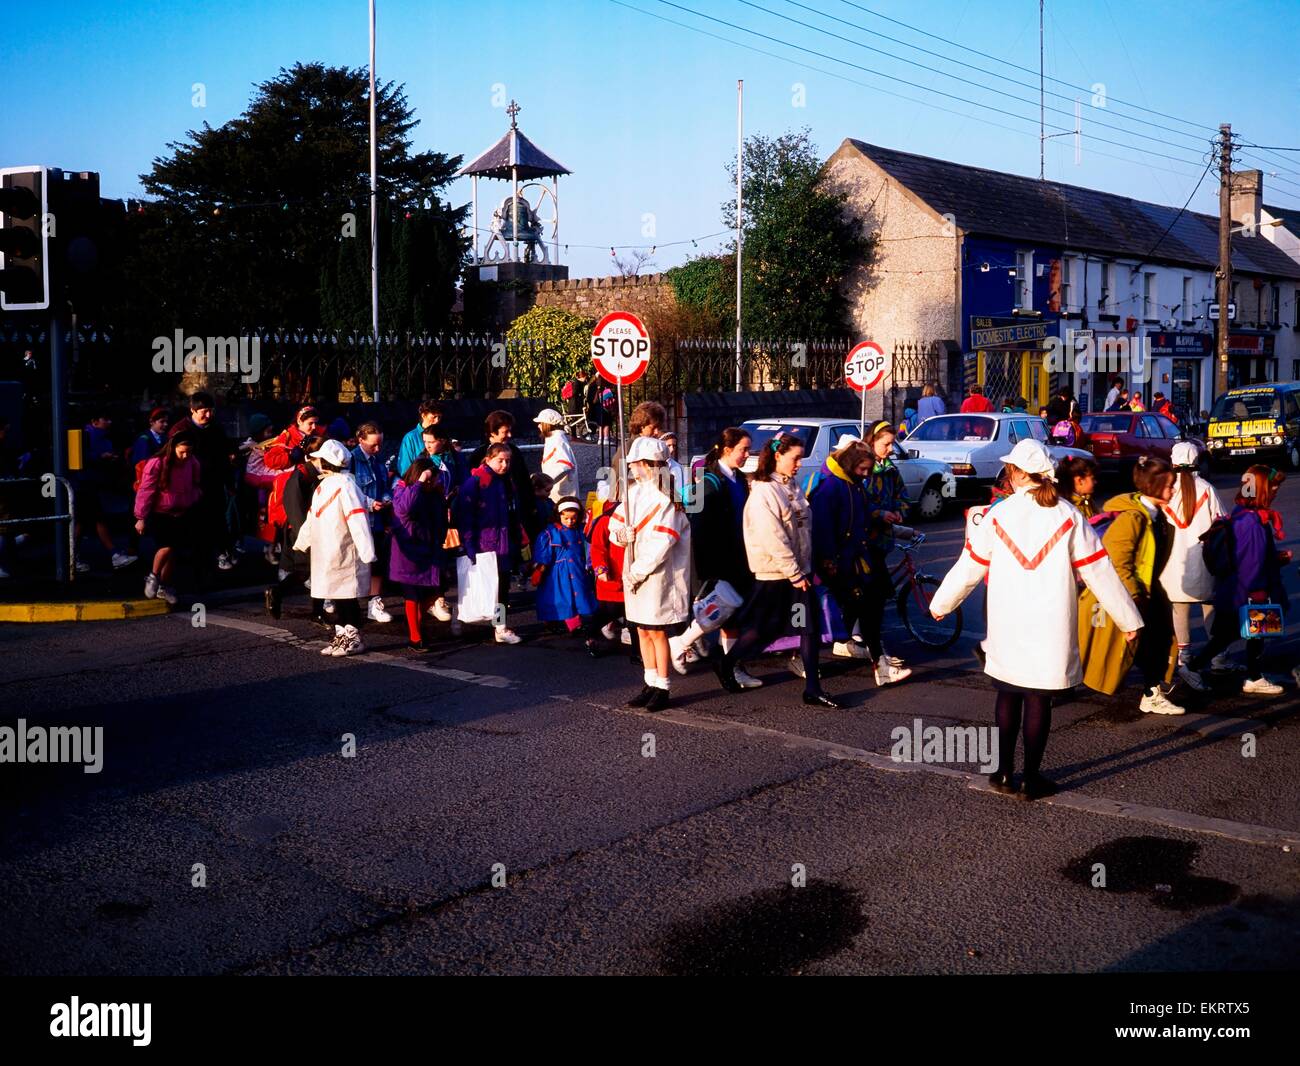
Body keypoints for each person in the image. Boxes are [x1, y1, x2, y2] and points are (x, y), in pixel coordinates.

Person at [930, 439, 1143, 799]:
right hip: (1051, 623)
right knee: (1038, 699)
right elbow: (1100, 572)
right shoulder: (1069, 515)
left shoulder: (999, 514)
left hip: (1008, 620)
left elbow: (969, 566)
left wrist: (942, 604)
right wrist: (1129, 620)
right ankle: (1031, 778)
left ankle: (1000, 772)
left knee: (1008, 693)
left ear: (1015, 473)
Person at [714, 433, 843, 709]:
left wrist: (810, 566)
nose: (799, 463)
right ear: (777, 456)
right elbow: (774, 538)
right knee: (765, 630)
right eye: (795, 457)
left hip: (799, 574)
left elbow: (803, 530)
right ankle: (726, 662)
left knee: (808, 627)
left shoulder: (791, 486)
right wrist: (794, 573)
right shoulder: (764, 491)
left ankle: (812, 689)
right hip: (775, 576)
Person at [1078, 456, 1184, 715]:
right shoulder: (1133, 518)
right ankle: (1048, 687)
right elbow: (1118, 561)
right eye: (1170, 485)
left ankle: (1151, 691)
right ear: (1155, 486)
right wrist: (1135, 597)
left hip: (1147, 592)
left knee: (1155, 644)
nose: (1174, 490)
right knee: (1126, 648)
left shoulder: (1154, 515)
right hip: (1132, 595)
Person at [810, 435, 913, 687]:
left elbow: (866, 514)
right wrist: (829, 562)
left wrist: (900, 529)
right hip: (838, 563)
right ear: (849, 464)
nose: (867, 474)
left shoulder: (853, 484)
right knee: (861, 608)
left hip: (856, 559)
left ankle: (865, 655)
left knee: (867, 606)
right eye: (862, 469)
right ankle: (877, 663)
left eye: (868, 469)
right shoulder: (830, 487)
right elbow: (822, 529)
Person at [1185, 466, 1291, 694]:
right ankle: (1252, 677)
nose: (1275, 490)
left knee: (1229, 634)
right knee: (1255, 633)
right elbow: (1252, 563)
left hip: (1235, 588)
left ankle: (1194, 667)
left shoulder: (1241, 513)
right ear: (1261, 488)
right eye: (1273, 486)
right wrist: (1259, 590)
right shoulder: (1253, 522)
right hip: (1250, 590)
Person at [610, 436, 692, 711]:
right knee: (642, 630)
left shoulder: (668, 499)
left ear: (648, 464)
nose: (631, 468)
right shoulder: (632, 494)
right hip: (634, 572)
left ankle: (663, 686)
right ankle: (650, 680)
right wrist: (622, 534)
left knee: (657, 632)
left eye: (635, 463)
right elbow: (614, 525)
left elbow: (662, 543)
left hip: (657, 576)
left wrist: (638, 571)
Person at [684, 427, 757, 684]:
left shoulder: (737, 478)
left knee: (732, 615)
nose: (748, 454)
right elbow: (700, 528)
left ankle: (731, 665)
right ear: (727, 450)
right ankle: (727, 665)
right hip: (720, 559)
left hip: (738, 556)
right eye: (743, 449)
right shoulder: (710, 481)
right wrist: (707, 571)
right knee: (727, 614)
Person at [293, 439, 376, 657]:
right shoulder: (325, 485)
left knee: (347, 594)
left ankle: (353, 636)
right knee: (336, 594)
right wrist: (302, 541)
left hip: (345, 548)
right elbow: (312, 517)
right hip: (327, 549)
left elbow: (357, 518)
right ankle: (342, 632)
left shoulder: (346, 485)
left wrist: (367, 550)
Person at [1159, 442, 1226, 672]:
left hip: (1173, 565)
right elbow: (1222, 522)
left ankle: (1184, 658)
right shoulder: (1207, 489)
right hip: (1205, 563)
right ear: (1197, 461)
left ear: (1173, 462)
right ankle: (1218, 658)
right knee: (1210, 608)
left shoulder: (1165, 490)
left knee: (1179, 610)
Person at [455, 441, 523, 644]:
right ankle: (459, 617)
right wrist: (469, 546)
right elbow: (465, 516)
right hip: (484, 543)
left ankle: (500, 627)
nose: (504, 465)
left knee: (501, 588)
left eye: (507, 461)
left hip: (502, 542)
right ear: (489, 458)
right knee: (478, 586)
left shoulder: (505, 481)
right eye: (500, 460)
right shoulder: (476, 482)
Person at [168, 391, 236, 575]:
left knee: (217, 518)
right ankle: (195, 560)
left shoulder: (215, 428)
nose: (208, 415)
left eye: (210, 411)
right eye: (203, 411)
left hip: (213, 482)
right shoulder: (180, 430)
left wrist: (229, 479)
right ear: (192, 410)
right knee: (194, 521)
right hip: (190, 484)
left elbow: (225, 453)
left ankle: (220, 553)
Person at [133, 433, 202, 605]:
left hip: (182, 511)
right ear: (173, 448)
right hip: (161, 512)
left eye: (189, 452)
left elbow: (195, 484)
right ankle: (154, 576)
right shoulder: (157, 463)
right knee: (167, 546)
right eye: (182, 452)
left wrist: (193, 498)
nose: (185, 456)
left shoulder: (191, 462)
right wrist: (141, 517)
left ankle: (163, 585)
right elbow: (145, 491)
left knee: (174, 552)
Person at [390, 456, 449, 651]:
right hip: (408, 551)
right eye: (431, 478)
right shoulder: (403, 489)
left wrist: (440, 541)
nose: (434, 481)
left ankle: (417, 626)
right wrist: (420, 481)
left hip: (430, 548)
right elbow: (404, 508)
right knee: (412, 595)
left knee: (434, 591)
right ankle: (415, 636)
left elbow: (441, 521)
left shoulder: (435, 494)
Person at [534, 495, 601, 654]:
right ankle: (567, 622)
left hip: (577, 570)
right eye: (566, 518)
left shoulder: (580, 531)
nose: (570, 521)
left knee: (581, 595)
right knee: (562, 597)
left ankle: (581, 622)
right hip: (559, 572)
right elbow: (545, 554)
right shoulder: (551, 533)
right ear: (559, 515)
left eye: (573, 518)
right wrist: (540, 569)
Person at [76, 409, 137, 571]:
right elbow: (79, 458)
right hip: (83, 483)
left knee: (82, 522)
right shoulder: (85, 436)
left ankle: (72, 556)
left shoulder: (104, 438)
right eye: (105, 419)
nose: (109, 422)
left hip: (93, 483)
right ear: (94, 421)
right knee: (97, 519)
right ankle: (114, 554)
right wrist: (100, 457)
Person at [469, 410, 538, 550]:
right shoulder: (478, 455)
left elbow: (524, 481)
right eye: (505, 432)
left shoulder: (514, 451)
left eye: (510, 431)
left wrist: (530, 506)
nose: (509, 435)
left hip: (515, 512)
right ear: (492, 432)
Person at [351, 422, 394, 624]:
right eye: (373, 445)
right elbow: (349, 490)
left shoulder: (377, 461)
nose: (377, 449)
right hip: (359, 519)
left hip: (376, 519)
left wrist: (386, 499)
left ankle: (374, 603)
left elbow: (384, 485)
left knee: (376, 563)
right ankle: (336, 601)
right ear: (361, 440)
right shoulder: (351, 460)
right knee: (353, 563)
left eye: (379, 445)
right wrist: (369, 503)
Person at [587, 479, 634, 650]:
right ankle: (591, 633)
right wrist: (600, 568)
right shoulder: (606, 520)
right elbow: (597, 548)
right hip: (613, 574)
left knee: (633, 612)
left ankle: (634, 645)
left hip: (632, 573)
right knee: (610, 610)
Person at [534, 408, 576, 501]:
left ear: (547, 425)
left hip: (562, 492)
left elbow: (565, 464)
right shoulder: (553, 439)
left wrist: (545, 481)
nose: (538, 426)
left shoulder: (557, 439)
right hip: (557, 489)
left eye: (540, 423)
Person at [397, 400, 443, 476]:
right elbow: (404, 471)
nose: (437, 421)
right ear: (423, 415)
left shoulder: (442, 436)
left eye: (439, 417)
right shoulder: (410, 438)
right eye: (434, 417)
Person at [1058, 455, 1101, 519]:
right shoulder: (1069, 508)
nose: (1095, 482)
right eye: (1093, 479)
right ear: (1080, 481)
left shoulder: (1087, 499)